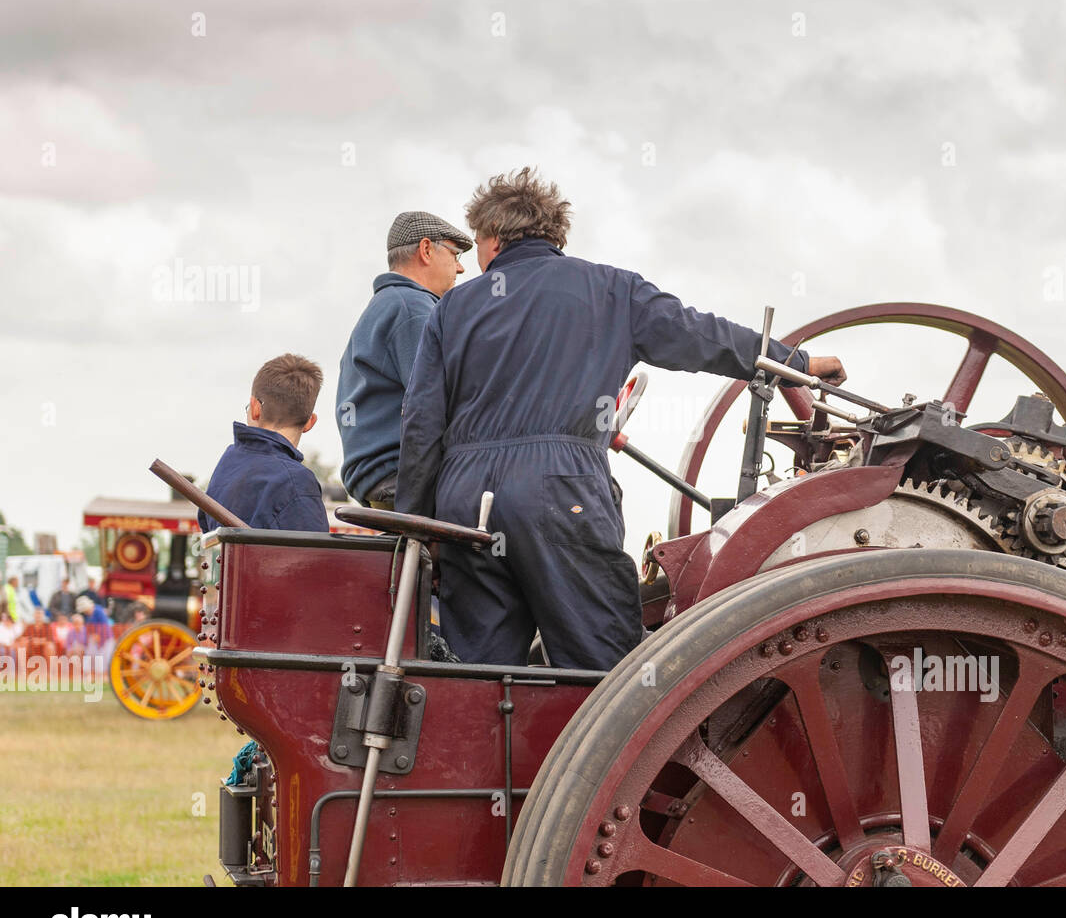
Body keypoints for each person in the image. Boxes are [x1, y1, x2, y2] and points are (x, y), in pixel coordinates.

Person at [396, 168, 847, 670]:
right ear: (553, 234)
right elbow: (704, 336)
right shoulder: (610, 289)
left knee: (476, 677)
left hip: (465, 502)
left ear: (493, 238)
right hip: (560, 489)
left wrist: (416, 524)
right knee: (605, 671)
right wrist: (795, 364)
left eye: (475, 245)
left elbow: (420, 424)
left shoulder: (453, 308)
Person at [337, 211, 473, 508]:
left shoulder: (388, 304)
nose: (461, 268)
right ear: (426, 250)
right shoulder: (414, 308)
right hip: (399, 476)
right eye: (455, 254)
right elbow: (441, 405)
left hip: (379, 478)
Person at [199, 354, 330, 534]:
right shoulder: (297, 482)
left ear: (255, 408)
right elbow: (317, 557)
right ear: (310, 422)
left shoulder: (227, 464)